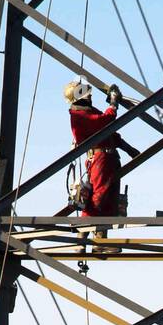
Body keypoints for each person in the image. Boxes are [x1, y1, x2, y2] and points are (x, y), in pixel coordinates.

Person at [64, 79, 125, 224]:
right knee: (99, 196)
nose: (89, 95)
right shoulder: (78, 115)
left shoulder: (88, 112)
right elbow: (105, 121)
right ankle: (83, 234)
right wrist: (113, 104)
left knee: (110, 199)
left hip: (109, 158)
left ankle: (100, 241)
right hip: (100, 158)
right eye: (84, 93)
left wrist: (127, 148)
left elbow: (110, 132)